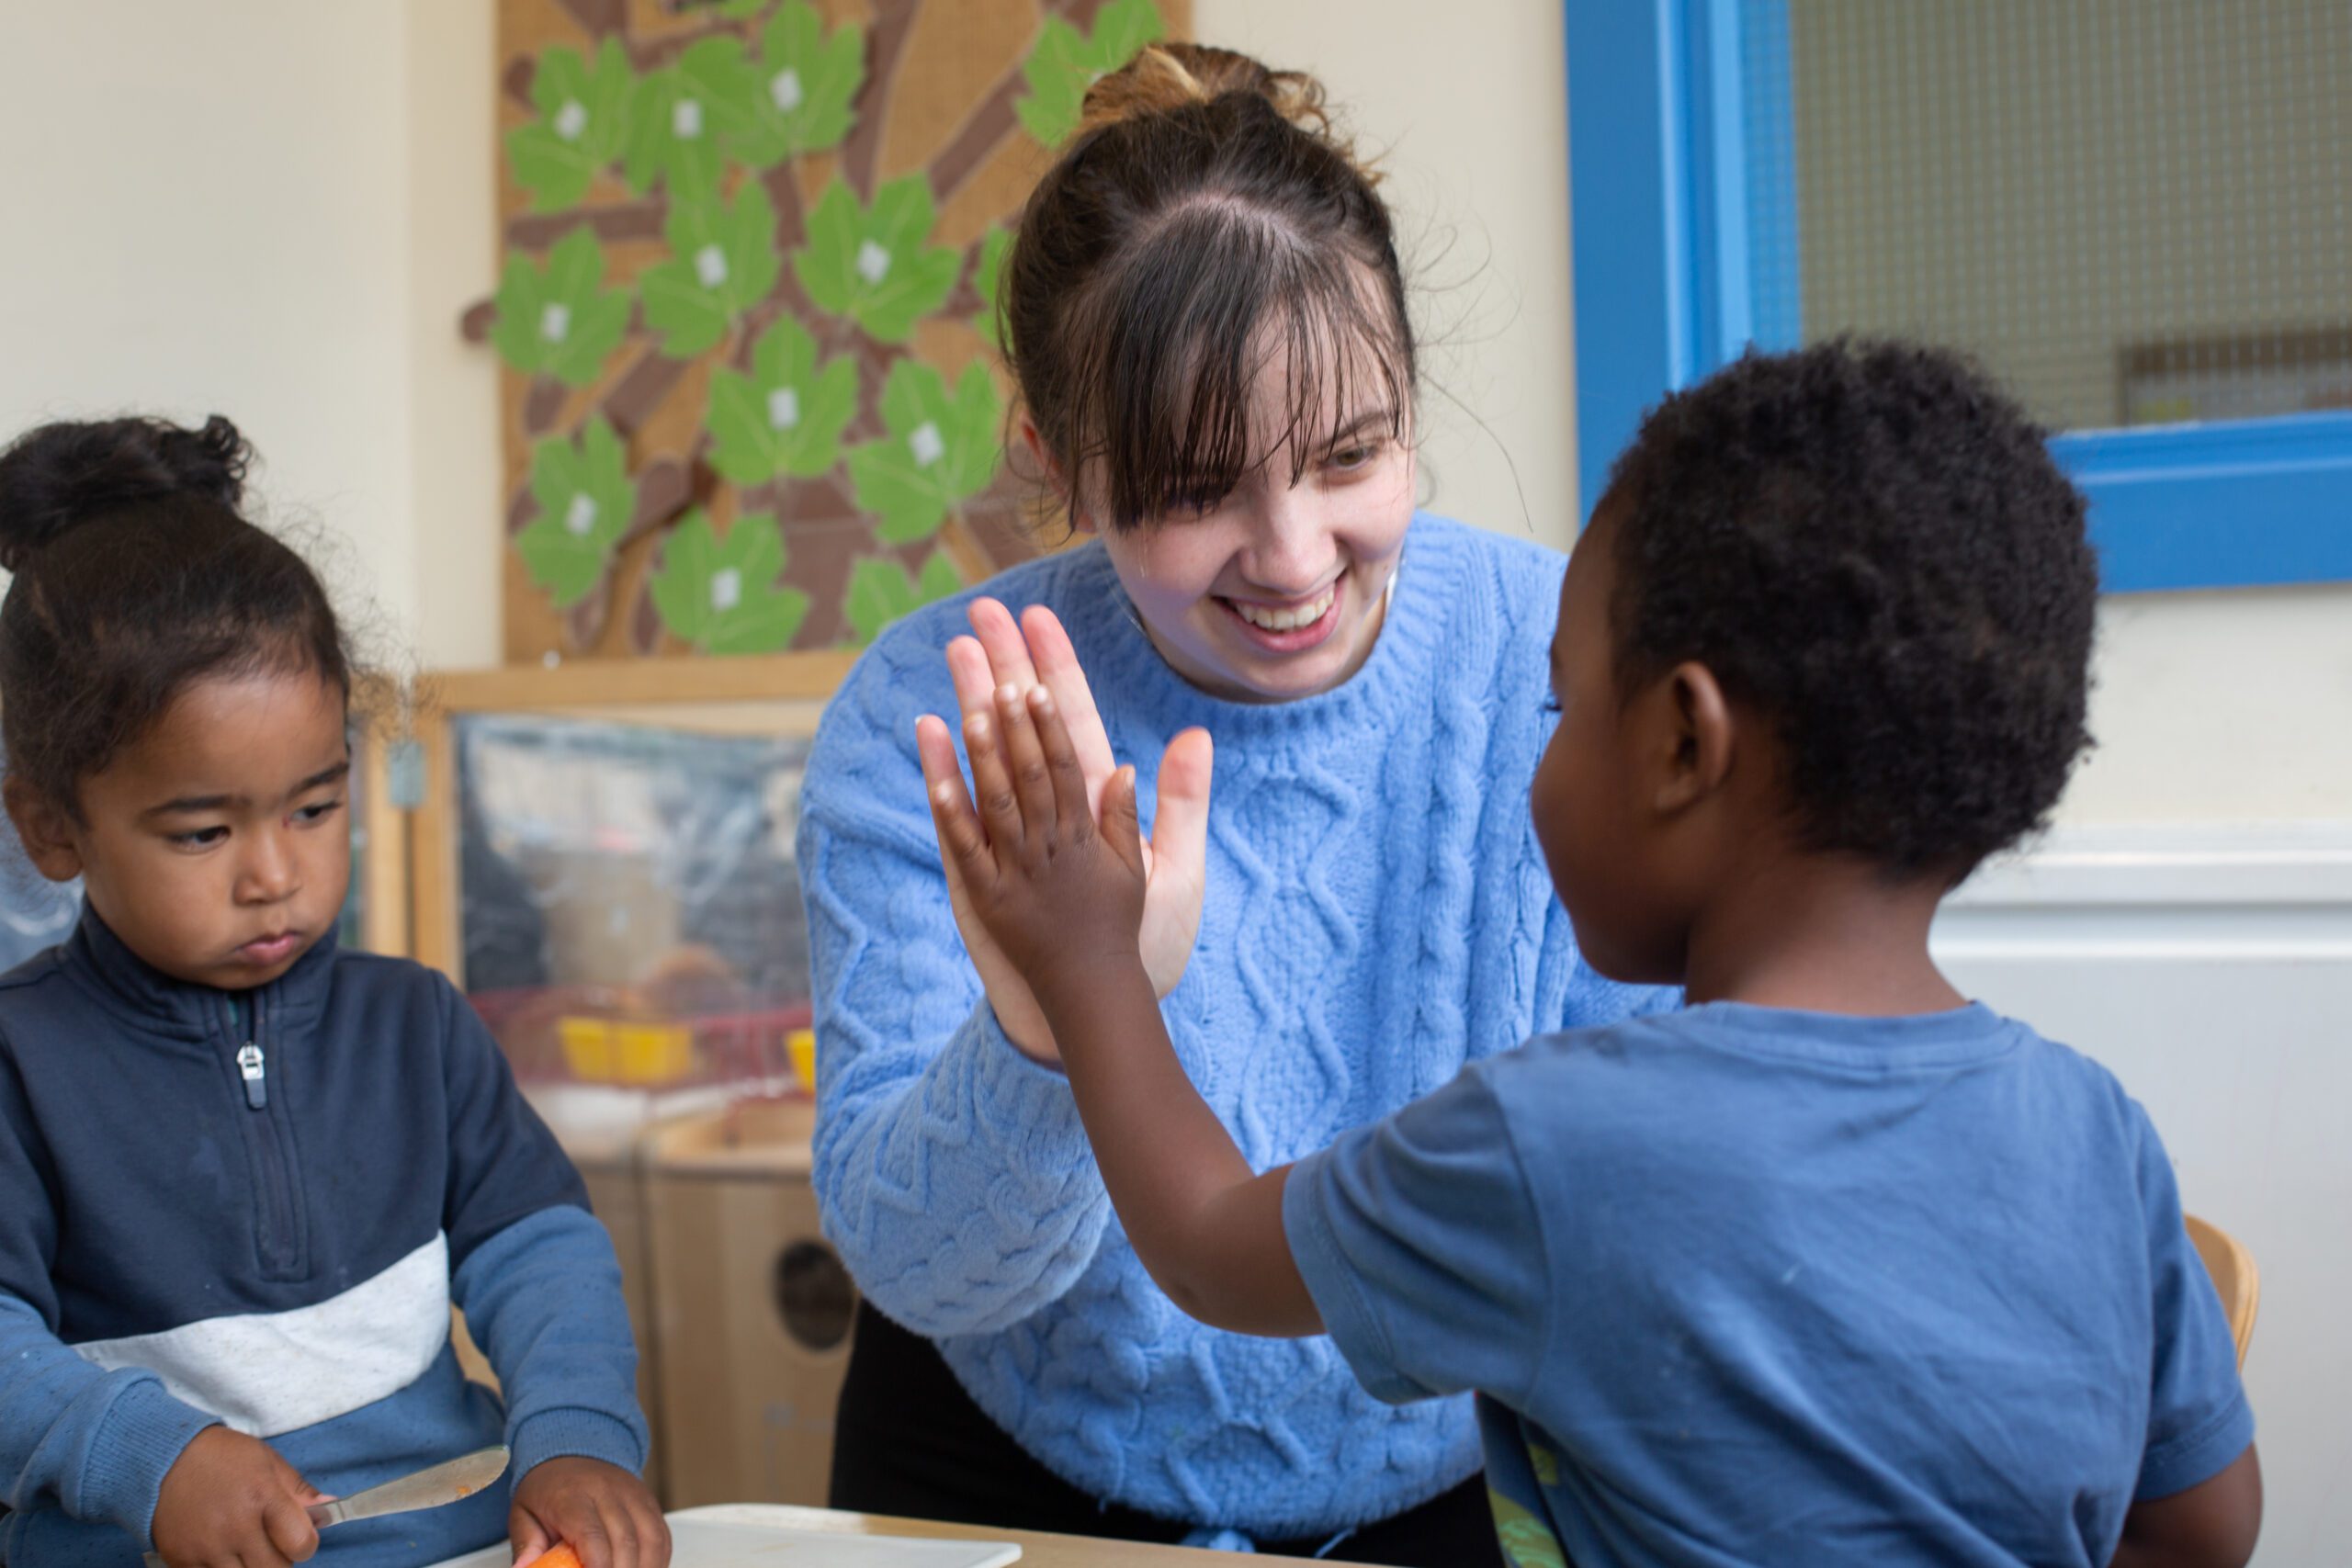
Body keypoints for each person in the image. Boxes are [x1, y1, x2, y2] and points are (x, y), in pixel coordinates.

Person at [922, 341, 2263, 1567]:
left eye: (1560, 705)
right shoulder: (2098, 1131)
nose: (1538, 762)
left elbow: (1211, 1247)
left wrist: (1088, 958)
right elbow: (2207, 1525)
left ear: (1684, 743)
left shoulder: (1556, 1142)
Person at [796, 41, 1667, 1562]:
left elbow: (1670, 1182)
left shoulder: (1562, 665)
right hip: (1014, 1475)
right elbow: (922, 1272)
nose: (1292, 554)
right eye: (1199, 490)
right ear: (1062, 461)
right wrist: (1044, 1026)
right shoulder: (935, 711)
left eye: (1352, 455)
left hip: (1452, 1481)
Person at [0, 416, 669, 1568]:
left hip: (457, 1544)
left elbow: (541, 1252)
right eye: (203, 831)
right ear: (52, 827)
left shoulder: (417, 1023)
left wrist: (573, 1439)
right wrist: (146, 1456)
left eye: (314, 808)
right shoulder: (21, 1062)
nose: (273, 875)